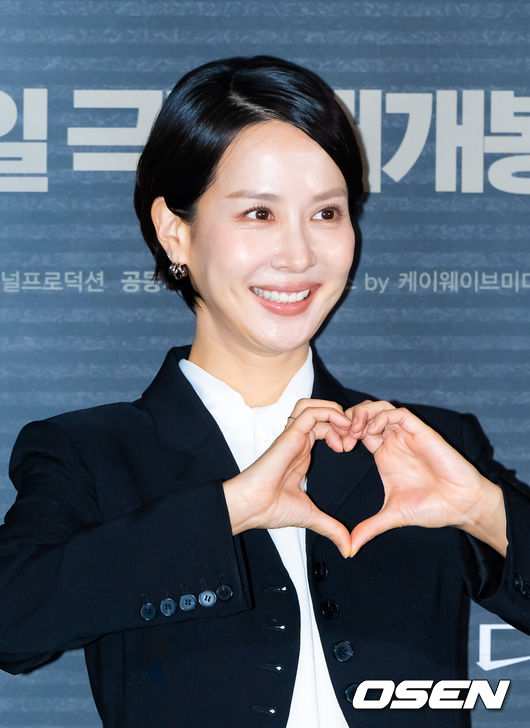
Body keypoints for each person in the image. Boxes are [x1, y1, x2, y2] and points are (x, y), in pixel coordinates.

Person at [1, 55, 529, 728]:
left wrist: (483, 509)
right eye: (259, 213)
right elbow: (12, 620)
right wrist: (226, 511)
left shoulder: (428, 446)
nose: (299, 256)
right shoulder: (91, 453)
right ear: (175, 231)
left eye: (327, 213)